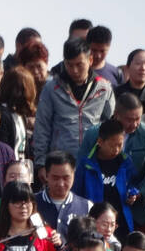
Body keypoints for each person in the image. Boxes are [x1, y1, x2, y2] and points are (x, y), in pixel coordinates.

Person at [31, 39, 115, 171]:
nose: (75, 70)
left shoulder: (104, 88)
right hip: (59, 163)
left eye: (79, 64)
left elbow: (110, 127)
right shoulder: (52, 88)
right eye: (69, 65)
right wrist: (41, 163)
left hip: (93, 163)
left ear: (90, 60)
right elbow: (42, 127)